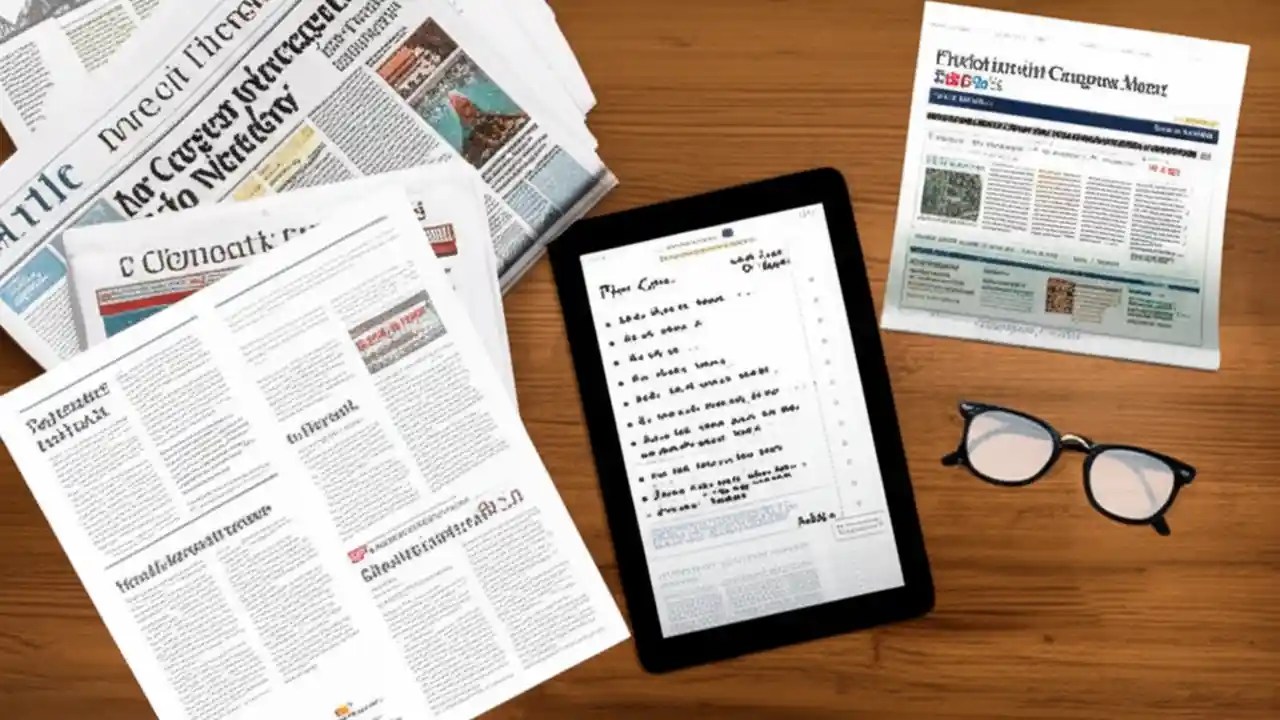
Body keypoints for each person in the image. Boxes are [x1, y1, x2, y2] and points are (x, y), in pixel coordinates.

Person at [448, 90, 526, 166]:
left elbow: (517, 118)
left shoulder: (491, 117)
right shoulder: (469, 141)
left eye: (467, 104)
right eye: (464, 106)